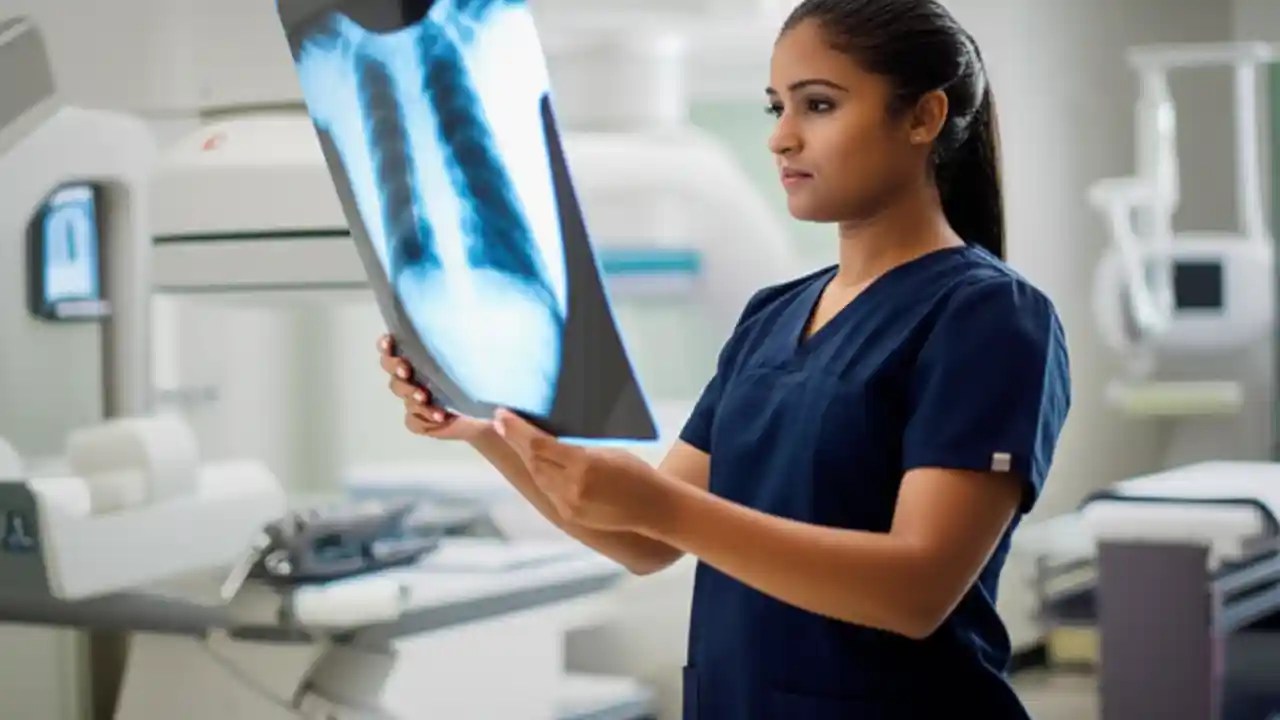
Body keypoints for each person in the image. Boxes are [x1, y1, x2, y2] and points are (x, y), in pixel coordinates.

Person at [378, 0, 1071, 717]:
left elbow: (914, 592)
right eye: (777, 108)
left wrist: (664, 506)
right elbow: (643, 541)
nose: (781, 138)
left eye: (820, 105)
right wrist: (480, 427)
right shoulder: (770, 317)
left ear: (923, 117)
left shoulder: (987, 316)